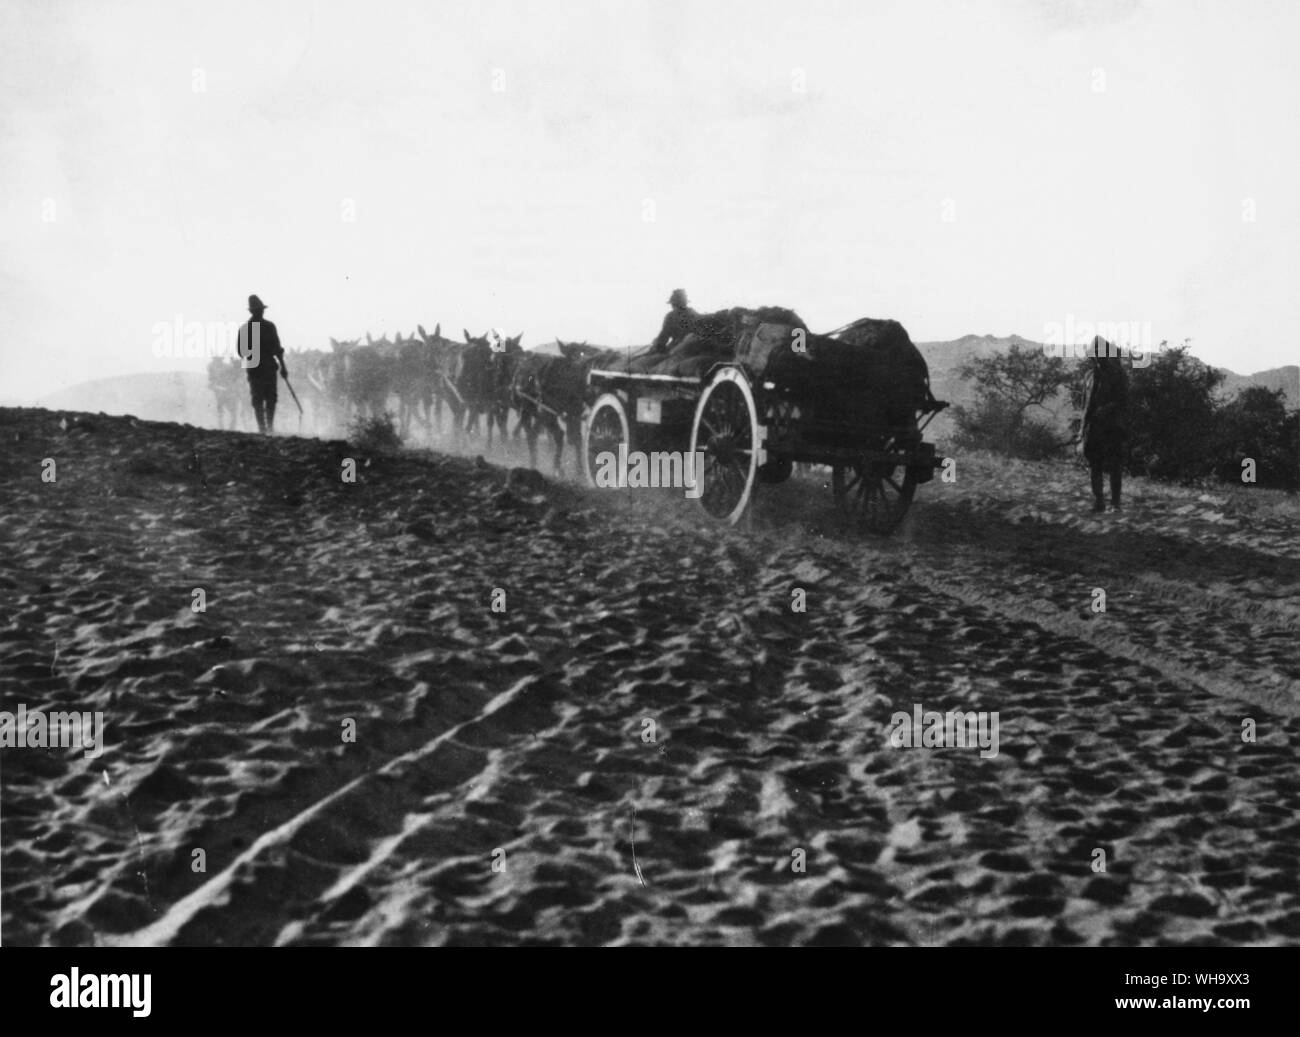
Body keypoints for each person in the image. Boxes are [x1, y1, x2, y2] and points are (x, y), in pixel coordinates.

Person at [1082, 339, 1129, 512]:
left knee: (1114, 465)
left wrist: (1106, 409)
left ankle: (1115, 504)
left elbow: (1123, 400)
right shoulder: (1090, 376)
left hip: (1113, 426)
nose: (1096, 358)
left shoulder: (1119, 375)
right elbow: (1086, 404)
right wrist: (1082, 429)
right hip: (1094, 427)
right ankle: (1099, 502)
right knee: (1095, 464)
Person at [237, 294, 287, 434]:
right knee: (261, 399)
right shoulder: (253, 328)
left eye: (261, 309)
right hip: (259, 369)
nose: (261, 311)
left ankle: (267, 428)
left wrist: (283, 366)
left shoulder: (256, 327)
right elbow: (242, 352)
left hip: (260, 369)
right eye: (259, 309)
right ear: (253, 311)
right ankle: (264, 428)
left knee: (267, 398)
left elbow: (277, 349)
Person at [648, 288, 698, 355]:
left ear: (674, 304)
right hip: (695, 344)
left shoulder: (671, 316)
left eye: (672, 304)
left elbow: (664, 336)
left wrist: (657, 345)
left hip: (678, 347)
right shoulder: (693, 313)